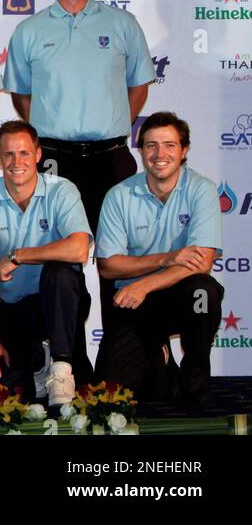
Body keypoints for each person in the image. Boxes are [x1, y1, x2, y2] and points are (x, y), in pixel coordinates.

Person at [5, 0, 155, 233]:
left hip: (110, 158)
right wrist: (51, 125)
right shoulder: (28, 30)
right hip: (52, 159)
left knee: (116, 247)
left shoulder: (123, 24)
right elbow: (21, 94)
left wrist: (114, 123)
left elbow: (138, 86)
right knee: (53, 247)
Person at [95, 112, 223, 405]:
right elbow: (108, 265)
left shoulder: (201, 189)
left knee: (203, 292)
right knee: (110, 393)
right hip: (134, 303)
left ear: (184, 151)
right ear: (141, 151)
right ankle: (160, 360)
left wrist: (145, 284)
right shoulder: (119, 195)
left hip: (177, 294)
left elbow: (202, 262)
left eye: (169, 145)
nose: (159, 154)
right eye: (151, 145)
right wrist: (168, 259)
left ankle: (195, 383)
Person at [0, 120, 93, 406]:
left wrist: (17, 256)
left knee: (59, 270)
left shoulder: (62, 190)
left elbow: (80, 249)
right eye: (8, 154)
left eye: (24, 153)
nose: (16, 162)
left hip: (62, 304)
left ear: (38, 154)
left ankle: (60, 367)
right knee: (5, 390)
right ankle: (39, 362)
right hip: (17, 310)